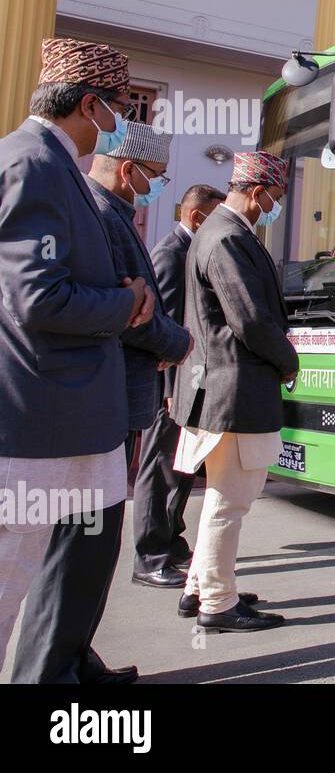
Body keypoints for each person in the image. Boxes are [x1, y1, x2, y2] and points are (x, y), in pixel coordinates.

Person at [12, 121, 192, 684]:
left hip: (108, 401)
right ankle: (52, 672)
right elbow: (130, 312)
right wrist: (177, 343)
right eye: (154, 178)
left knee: (91, 552)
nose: (154, 188)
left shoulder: (110, 212)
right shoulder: (100, 212)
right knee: (78, 550)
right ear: (126, 166)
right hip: (96, 403)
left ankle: (74, 657)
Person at [0, 38, 154, 682]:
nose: (118, 125)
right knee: (8, 588)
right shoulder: (34, 164)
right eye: (118, 108)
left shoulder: (49, 164)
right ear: (88, 104)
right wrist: (127, 306)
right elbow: (36, 296)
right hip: (40, 422)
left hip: (64, 419)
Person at [171, 151, 298, 631]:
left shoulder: (223, 232)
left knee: (221, 497)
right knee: (232, 500)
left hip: (220, 387)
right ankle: (218, 604)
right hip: (234, 390)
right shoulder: (226, 236)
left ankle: (200, 586)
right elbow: (249, 319)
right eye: (276, 197)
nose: (275, 206)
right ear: (258, 190)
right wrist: (289, 360)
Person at [132, 184, 227, 587]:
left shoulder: (189, 250)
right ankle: (149, 558)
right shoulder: (171, 254)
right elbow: (165, 326)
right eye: (215, 217)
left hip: (189, 379)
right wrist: (173, 388)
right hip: (169, 384)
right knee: (158, 467)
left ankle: (171, 543)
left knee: (181, 468)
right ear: (196, 217)